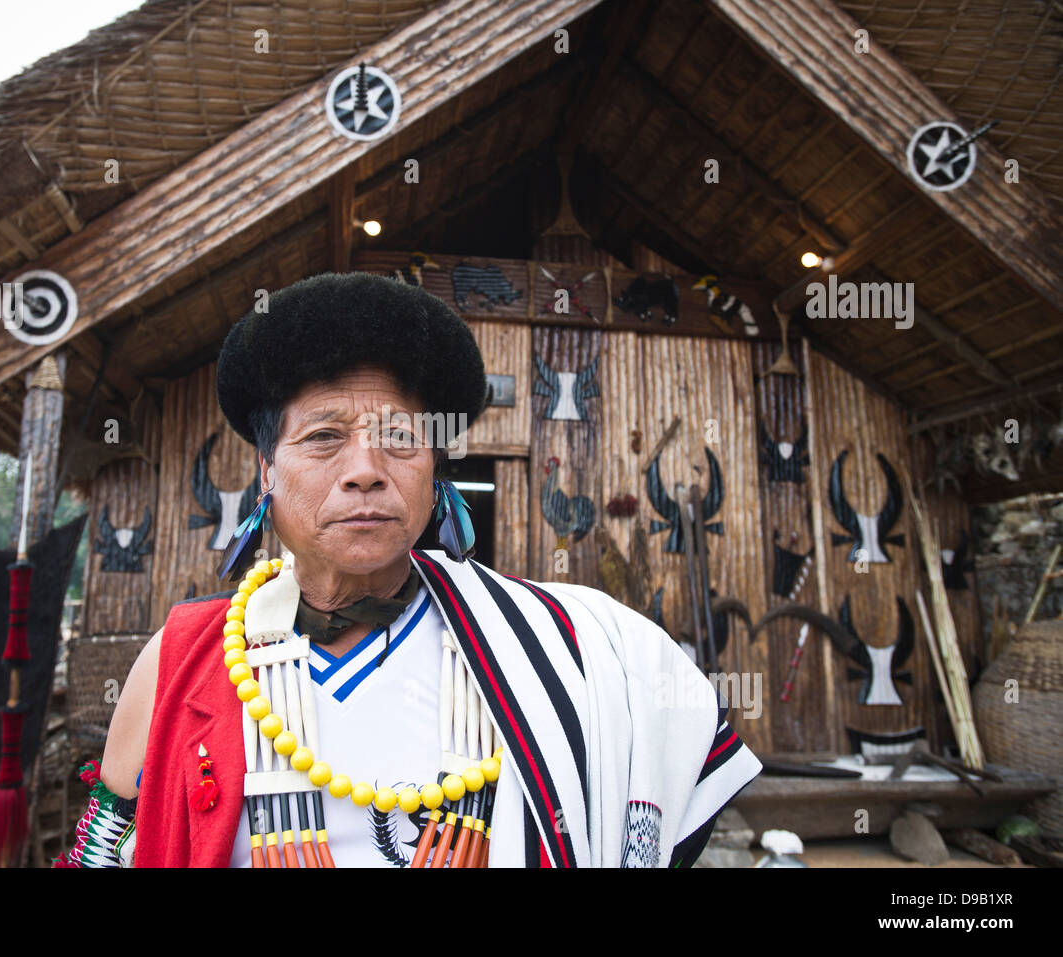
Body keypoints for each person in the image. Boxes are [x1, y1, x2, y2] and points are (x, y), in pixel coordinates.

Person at [55, 271, 760, 868]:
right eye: (325, 436)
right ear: (266, 473)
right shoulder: (181, 661)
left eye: (401, 438)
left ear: (434, 471)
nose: (366, 470)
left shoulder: (563, 646)